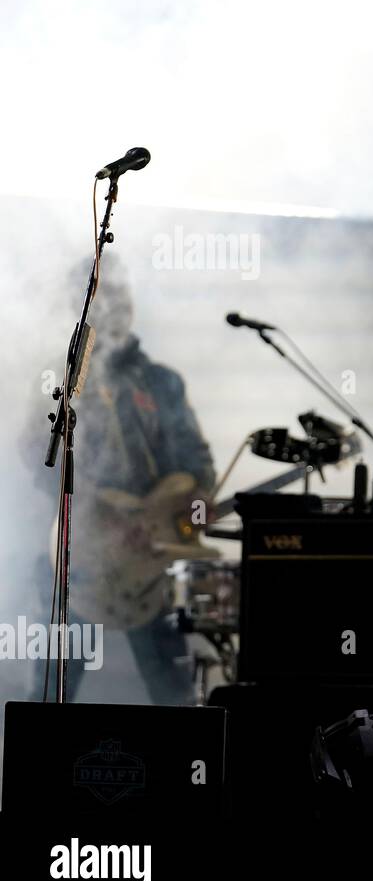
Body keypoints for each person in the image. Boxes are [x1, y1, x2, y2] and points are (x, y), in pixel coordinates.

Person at [29, 253, 215, 705]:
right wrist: (100, 513)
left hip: (151, 567)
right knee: (51, 698)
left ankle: (187, 771)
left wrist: (182, 521)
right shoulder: (62, 378)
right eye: (106, 294)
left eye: (123, 292)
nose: (120, 303)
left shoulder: (161, 382)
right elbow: (39, 459)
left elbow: (199, 470)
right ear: (85, 305)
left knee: (175, 697)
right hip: (82, 560)